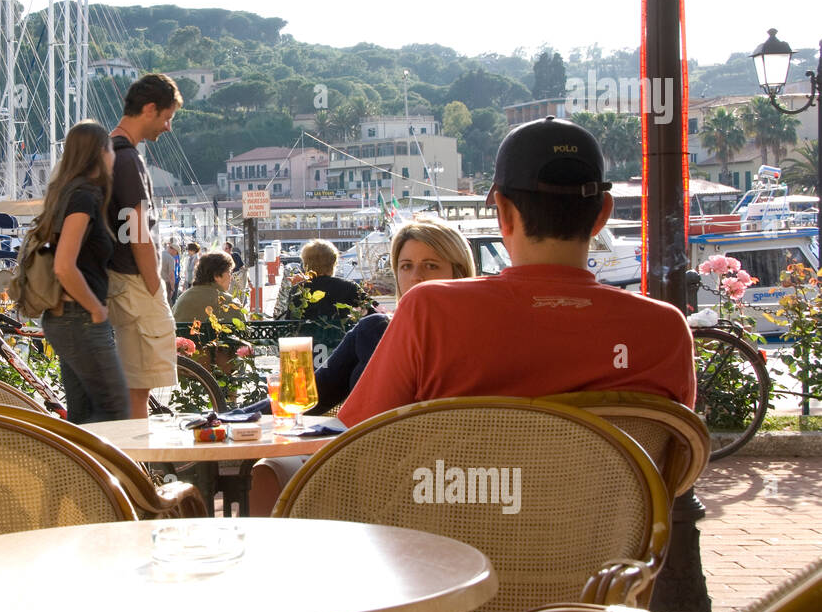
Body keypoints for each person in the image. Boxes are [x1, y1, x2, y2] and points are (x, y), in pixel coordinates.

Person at [338, 114, 696, 429]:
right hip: (610, 507)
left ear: (503, 213)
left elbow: (355, 437)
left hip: (460, 502)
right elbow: (673, 463)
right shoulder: (664, 331)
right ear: (602, 214)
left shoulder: (430, 312)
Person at [247, 219, 476, 515]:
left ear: (458, 272)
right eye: (406, 266)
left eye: (431, 266)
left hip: (420, 469)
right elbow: (317, 391)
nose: (416, 277)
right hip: (389, 465)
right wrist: (237, 417)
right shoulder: (377, 328)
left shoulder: (467, 334)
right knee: (268, 470)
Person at [38, 121, 129, 424]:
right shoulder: (83, 197)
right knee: (115, 411)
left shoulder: (64, 193)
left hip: (64, 317)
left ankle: (76, 471)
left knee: (85, 415)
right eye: (110, 150)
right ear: (101, 153)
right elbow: (64, 265)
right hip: (80, 317)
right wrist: (96, 309)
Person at [107, 73, 182, 419]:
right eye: (167, 117)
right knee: (139, 388)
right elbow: (138, 229)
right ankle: (139, 468)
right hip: (135, 283)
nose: (168, 127)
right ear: (150, 109)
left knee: (133, 385)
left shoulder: (107, 152)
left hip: (117, 279)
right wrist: (155, 286)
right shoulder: (129, 161)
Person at [276, 238, 375, 323]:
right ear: (334, 263)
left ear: (306, 265)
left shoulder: (298, 290)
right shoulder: (350, 287)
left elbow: (291, 323)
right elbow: (375, 314)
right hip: (342, 342)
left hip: (310, 343)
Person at [172, 250, 244, 323]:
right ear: (217, 276)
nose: (231, 277)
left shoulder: (182, 300)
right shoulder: (231, 303)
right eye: (229, 272)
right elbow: (245, 331)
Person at [160, 240, 180, 304]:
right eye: (176, 253)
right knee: (167, 303)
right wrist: (172, 288)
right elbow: (171, 275)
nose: (175, 255)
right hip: (165, 284)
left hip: (156, 281)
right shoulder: (171, 259)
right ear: (174, 250)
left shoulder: (159, 253)